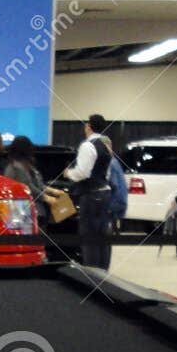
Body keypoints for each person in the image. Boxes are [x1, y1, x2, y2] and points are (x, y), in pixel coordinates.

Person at [61, 113, 115, 270]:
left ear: (89, 127)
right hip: (105, 193)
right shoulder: (106, 144)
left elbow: (83, 173)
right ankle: (102, 272)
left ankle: (92, 274)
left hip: (91, 196)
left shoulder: (88, 145)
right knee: (102, 236)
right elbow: (108, 172)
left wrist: (68, 173)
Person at [2, 134, 48, 218]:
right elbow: (27, 187)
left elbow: (37, 183)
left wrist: (50, 192)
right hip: (21, 211)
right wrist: (46, 197)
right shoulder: (15, 167)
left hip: (34, 209)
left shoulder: (28, 165)